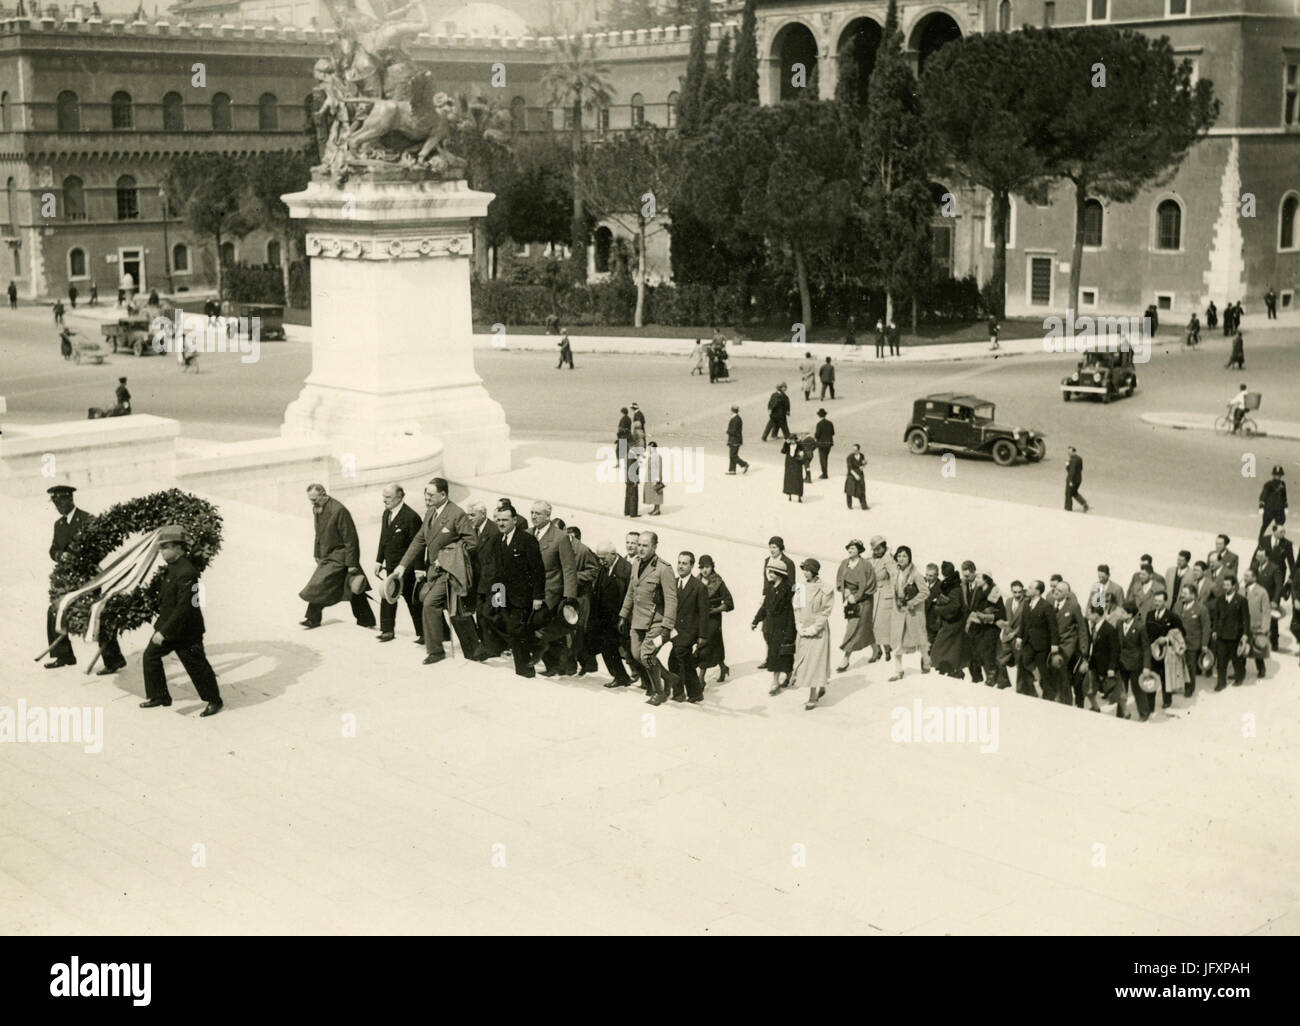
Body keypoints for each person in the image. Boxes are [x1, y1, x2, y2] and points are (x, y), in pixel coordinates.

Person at [138, 525, 223, 717]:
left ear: (178, 548)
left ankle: (214, 700)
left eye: (166, 547)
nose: (162, 551)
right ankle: (159, 696)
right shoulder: (173, 568)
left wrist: (164, 632)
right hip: (170, 627)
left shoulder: (187, 572)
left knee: (197, 665)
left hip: (187, 630)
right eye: (160, 547)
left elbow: (185, 607)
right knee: (150, 656)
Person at [42, 485, 126, 674]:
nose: (58, 505)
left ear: (69, 499)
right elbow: (53, 549)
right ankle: (64, 655)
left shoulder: (87, 520)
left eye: (60, 501)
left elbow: (103, 547)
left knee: (95, 613)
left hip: (89, 578)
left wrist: (83, 560)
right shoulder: (59, 524)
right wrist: (59, 555)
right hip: (68, 578)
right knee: (55, 611)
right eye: (55, 502)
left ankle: (114, 659)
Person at [391, 478, 476, 665]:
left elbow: (471, 543)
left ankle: (436, 651)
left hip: (450, 573)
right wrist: (402, 565)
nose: (426, 498)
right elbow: (419, 540)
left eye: (431, 494)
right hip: (433, 572)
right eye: (425, 493)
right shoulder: (430, 513)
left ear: (443, 495)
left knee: (430, 603)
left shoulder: (457, 514)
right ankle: (470, 647)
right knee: (442, 606)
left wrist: (446, 557)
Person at [299, 484, 376, 632]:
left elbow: (351, 539)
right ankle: (366, 619)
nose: (312, 503)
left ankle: (313, 619)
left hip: (340, 556)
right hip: (328, 555)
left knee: (319, 583)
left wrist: (352, 563)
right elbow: (319, 534)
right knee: (352, 586)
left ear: (323, 494)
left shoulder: (339, 510)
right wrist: (317, 552)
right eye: (310, 500)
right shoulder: (318, 507)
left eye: (314, 499)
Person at [480, 505, 545, 678]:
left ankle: (525, 672)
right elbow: (497, 570)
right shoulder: (498, 540)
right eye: (498, 520)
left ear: (514, 520)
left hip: (523, 596)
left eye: (505, 520)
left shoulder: (526, 540)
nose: (501, 523)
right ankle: (534, 645)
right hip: (503, 593)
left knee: (516, 631)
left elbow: (537, 570)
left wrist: (538, 597)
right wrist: (496, 594)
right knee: (492, 617)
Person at [619, 530, 678, 706]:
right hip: (638, 619)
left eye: (645, 546)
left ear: (654, 547)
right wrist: (623, 614)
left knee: (646, 654)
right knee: (637, 655)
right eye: (639, 545)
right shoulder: (636, 563)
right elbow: (631, 591)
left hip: (656, 621)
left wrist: (667, 626)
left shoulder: (663, 569)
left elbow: (671, 599)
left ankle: (659, 692)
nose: (641, 549)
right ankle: (669, 678)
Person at [527, 500, 578, 676]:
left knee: (541, 626)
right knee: (553, 632)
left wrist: (569, 596)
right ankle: (554, 666)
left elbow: (569, 568)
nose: (533, 516)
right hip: (531, 591)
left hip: (551, 591)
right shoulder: (527, 533)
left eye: (538, 513)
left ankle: (551, 657)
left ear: (548, 515)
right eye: (532, 513)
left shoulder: (560, 537)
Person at [374, 483, 423, 643]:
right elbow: (383, 539)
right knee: (387, 596)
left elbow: (418, 545)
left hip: (406, 568)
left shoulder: (411, 517)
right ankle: (387, 630)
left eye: (388, 497)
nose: (384, 500)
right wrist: (378, 560)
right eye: (383, 496)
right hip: (391, 566)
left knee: (413, 600)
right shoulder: (386, 514)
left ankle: (426, 633)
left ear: (400, 497)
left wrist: (418, 569)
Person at [664, 551, 709, 703]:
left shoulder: (699, 587)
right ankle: (695, 693)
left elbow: (704, 614)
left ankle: (678, 693)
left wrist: (702, 635)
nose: (681, 566)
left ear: (691, 566)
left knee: (675, 658)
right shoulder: (673, 582)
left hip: (689, 631)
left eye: (685, 563)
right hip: (675, 630)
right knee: (687, 662)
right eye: (679, 563)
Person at [588, 541, 633, 688]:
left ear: (613, 554)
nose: (601, 562)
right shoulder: (605, 566)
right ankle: (620, 677)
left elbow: (628, 595)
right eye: (599, 558)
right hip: (605, 617)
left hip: (620, 618)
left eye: (603, 558)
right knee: (607, 648)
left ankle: (648, 682)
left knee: (631, 652)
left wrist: (623, 618)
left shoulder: (625, 570)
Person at [793, 558, 833, 710]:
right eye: (803, 569)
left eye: (807, 569)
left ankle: (812, 696)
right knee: (804, 661)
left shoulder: (825, 588)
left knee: (816, 662)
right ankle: (820, 685)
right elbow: (797, 608)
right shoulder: (800, 588)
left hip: (818, 630)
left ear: (814, 571)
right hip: (803, 629)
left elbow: (826, 611)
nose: (804, 572)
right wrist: (799, 624)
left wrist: (815, 628)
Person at [752, 558, 796, 695]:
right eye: (769, 571)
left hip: (783, 627)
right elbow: (764, 607)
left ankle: (775, 681)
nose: (770, 574)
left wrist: (790, 632)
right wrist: (756, 620)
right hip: (771, 627)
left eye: (772, 572)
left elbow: (791, 613)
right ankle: (788, 674)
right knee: (776, 654)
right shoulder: (770, 589)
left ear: (779, 573)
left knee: (780, 654)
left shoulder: (788, 591)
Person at [887, 545, 929, 680]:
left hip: (913, 613)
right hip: (899, 611)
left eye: (904, 556)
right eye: (899, 556)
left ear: (909, 557)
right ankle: (898, 670)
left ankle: (927, 662)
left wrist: (911, 603)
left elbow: (925, 592)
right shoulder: (894, 572)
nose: (901, 558)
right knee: (897, 640)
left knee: (920, 639)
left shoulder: (915, 574)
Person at [835, 540, 875, 673]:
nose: (850, 550)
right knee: (863, 628)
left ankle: (846, 658)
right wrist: (846, 592)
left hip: (864, 601)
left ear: (859, 550)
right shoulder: (844, 563)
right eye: (849, 548)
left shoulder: (866, 565)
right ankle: (876, 649)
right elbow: (840, 581)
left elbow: (870, 585)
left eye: (853, 548)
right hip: (850, 601)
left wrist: (856, 597)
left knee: (854, 628)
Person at [1016, 580, 1060, 699]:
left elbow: (1053, 626)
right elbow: (1023, 623)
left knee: (1043, 669)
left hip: (1042, 644)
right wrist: (1019, 637)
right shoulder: (1026, 604)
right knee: (1025, 661)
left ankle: (1049, 695)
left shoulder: (1046, 606)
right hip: (1028, 642)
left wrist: (1054, 644)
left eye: (1030, 587)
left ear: (1037, 591)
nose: (1027, 589)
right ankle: (1032, 686)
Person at [567, 525, 601, 676]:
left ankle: (585, 663)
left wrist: (575, 577)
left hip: (581, 598)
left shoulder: (584, 551)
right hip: (566, 596)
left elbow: (594, 571)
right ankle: (573, 663)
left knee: (578, 632)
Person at [695, 555, 733, 684]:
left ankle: (701, 679)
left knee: (703, 645)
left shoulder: (718, 582)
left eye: (707, 567)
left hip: (713, 619)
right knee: (715, 645)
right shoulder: (696, 580)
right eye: (702, 567)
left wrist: (716, 610)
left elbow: (729, 602)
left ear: (712, 567)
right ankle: (723, 667)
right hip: (699, 618)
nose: (704, 570)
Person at [1209, 574, 1250, 690]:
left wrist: (1245, 634)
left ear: (1234, 586)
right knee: (1221, 660)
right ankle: (1221, 683)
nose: (1225, 587)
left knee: (1236, 658)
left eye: (1228, 585)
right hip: (1221, 635)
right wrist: (1215, 630)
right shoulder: (1220, 600)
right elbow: (1216, 617)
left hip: (1235, 635)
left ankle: (1239, 677)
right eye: (1224, 585)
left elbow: (1245, 619)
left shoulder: (1241, 600)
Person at [1145, 590, 1184, 710]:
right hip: (1152, 652)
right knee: (1151, 677)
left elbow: (1181, 633)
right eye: (1155, 600)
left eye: (1159, 601)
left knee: (1165, 677)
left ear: (1165, 602)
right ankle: (1150, 705)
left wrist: (1167, 639)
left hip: (1166, 653)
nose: (1156, 603)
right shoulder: (1150, 614)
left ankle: (1167, 700)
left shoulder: (1172, 617)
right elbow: (1146, 632)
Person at [1083, 604, 1123, 717]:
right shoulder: (1093, 626)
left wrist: (1111, 668)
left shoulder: (1109, 629)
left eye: (1090, 613)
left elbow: (1115, 650)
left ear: (1096, 615)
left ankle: (1125, 713)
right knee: (1087, 687)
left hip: (1105, 666)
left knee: (1114, 693)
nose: (1087, 615)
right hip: (1094, 664)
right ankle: (1095, 707)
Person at [929, 561, 966, 678]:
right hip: (950, 622)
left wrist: (938, 609)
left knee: (939, 649)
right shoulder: (952, 584)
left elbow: (955, 605)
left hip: (952, 623)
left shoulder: (954, 587)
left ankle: (951, 671)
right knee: (949, 650)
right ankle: (951, 671)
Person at [1117, 600, 1152, 719]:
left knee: (1137, 690)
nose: (1120, 614)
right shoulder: (1119, 624)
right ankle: (1121, 713)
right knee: (1121, 689)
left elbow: (1146, 648)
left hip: (1136, 664)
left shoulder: (1140, 626)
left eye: (1122, 612)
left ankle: (1144, 713)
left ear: (1130, 615)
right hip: (1122, 663)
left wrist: (1146, 666)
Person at [1176, 582, 1209, 696]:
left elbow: (1206, 628)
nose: (1182, 595)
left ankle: (1189, 688)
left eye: (1185, 593)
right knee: (1178, 665)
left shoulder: (1201, 609)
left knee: (1190, 666)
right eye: (1182, 593)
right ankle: (1179, 685)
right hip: (1178, 642)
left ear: (1193, 595)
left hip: (1192, 643)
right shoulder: (1178, 606)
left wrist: (1204, 644)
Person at [1242, 567, 1272, 677]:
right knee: (1242, 649)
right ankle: (1240, 671)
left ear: (1254, 578)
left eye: (1247, 576)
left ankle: (1261, 669)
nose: (1244, 578)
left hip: (1256, 625)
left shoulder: (1262, 592)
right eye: (1244, 576)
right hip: (1243, 625)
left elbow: (1266, 612)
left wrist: (1265, 628)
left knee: (1258, 649)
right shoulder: (1241, 590)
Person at [1258, 465, 1287, 542]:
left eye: (1279, 475)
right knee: (1264, 526)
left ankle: (1279, 541)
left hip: (1279, 511)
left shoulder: (1283, 484)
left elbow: (1284, 496)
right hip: (1269, 510)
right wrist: (1261, 506)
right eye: (1276, 475)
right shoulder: (1268, 484)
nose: (1278, 476)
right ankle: (1260, 541)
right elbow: (1263, 495)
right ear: (1273, 475)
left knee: (1279, 527)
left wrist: (1286, 506)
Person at [1064, 446, 1089, 513]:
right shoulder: (1079, 459)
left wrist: (1067, 466)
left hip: (1072, 480)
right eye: (1068, 452)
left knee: (1068, 494)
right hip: (1079, 479)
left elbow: (1071, 471)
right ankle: (1084, 503)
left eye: (1069, 452)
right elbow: (1080, 469)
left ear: (1074, 452)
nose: (1068, 454)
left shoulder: (1072, 460)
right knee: (1074, 493)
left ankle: (1068, 509)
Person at [725, 405, 748, 474]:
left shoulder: (735, 419)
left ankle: (744, 464)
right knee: (732, 455)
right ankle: (732, 470)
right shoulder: (737, 418)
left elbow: (733, 431)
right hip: (736, 439)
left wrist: (727, 431)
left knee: (733, 455)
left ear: (732, 411)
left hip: (735, 440)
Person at [844, 444, 868, 510]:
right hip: (851, 475)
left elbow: (863, 464)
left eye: (856, 450)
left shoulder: (862, 455)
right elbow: (849, 469)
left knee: (862, 490)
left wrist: (864, 465)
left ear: (858, 450)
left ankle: (864, 506)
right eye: (853, 450)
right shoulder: (849, 457)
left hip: (860, 474)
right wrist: (855, 475)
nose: (854, 451)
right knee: (849, 491)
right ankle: (849, 506)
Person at [643, 440, 664, 515]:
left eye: (650, 448)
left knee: (657, 493)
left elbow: (659, 468)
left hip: (655, 477)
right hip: (650, 477)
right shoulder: (651, 456)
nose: (649, 450)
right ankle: (655, 509)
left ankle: (657, 510)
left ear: (653, 448)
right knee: (653, 493)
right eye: (648, 448)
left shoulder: (657, 456)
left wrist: (658, 479)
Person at [813, 408, 835, 479]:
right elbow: (833, 433)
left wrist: (815, 436)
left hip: (822, 444)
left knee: (823, 459)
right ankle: (824, 473)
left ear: (819, 416)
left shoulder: (819, 424)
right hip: (829, 443)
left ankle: (824, 474)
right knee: (825, 458)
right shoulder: (830, 423)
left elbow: (817, 435)